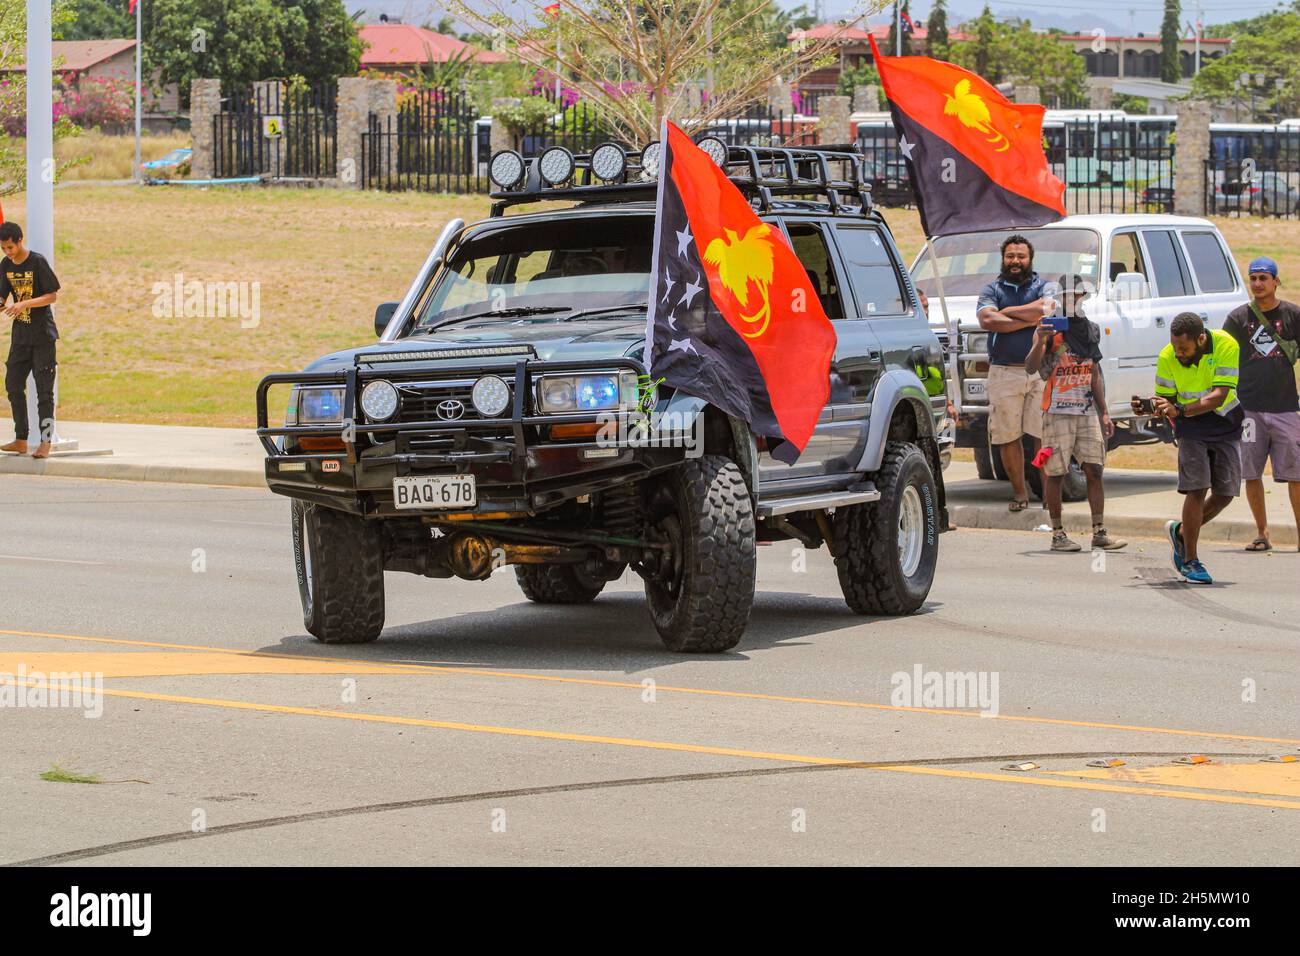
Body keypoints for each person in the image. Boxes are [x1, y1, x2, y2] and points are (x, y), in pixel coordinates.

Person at [1132, 313, 1243, 585]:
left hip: (1224, 422)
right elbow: (1166, 400)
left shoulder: (1227, 345)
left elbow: (1219, 396)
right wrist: (1152, 406)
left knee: (1226, 493)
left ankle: (1181, 532)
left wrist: (1179, 409)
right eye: (1175, 347)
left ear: (1201, 338)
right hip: (1191, 428)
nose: (1179, 353)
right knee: (1197, 488)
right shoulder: (1167, 356)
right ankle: (1190, 560)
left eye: (1184, 348)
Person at [1025, 275, 1125, 552]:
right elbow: (1031, 368)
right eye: (1066, 296)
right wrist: (1040, 340)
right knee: (1055, 473)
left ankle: (1099, 531)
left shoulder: (1090, 330)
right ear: (1059, 299)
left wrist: (1104, 412)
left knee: (1094, 468)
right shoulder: (1050, 329)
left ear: (1083, 298)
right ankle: (1058, 533)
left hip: (1085, 409)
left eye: (1076, 296)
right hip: (1056, 410)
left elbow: (1094, 373)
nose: (1071, 300)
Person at [1222, 256, 1300, 552]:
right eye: (1253, 278)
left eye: (1263, 278)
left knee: (1296, 474)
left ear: (1276, 281)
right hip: (1249, 409)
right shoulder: (1237, 319)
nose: (1257, 284)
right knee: (1251, 472)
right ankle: (1262, 533)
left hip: (1285, 408)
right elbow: (1223, 361)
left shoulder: (1293, 315)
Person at [976, 234, 1054, 512]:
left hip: (1039, 374)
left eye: (1021, 256)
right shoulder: (991, 289)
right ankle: (1020, 494)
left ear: (1030, 258)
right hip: (1003, 372)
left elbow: (1046, 309)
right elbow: (987, 319)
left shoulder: (1044, 286)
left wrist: (1008, 312)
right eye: (1010, 256)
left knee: (1043, 436)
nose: (1016, 261)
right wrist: (1026, 319)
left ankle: (1049, 497)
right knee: (1008, 436)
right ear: (1003, 259)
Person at [0, 221, 61, 459]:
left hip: (43, 336)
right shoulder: (5, 265)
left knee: (44, 392)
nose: (8, 252)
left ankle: (45, 442)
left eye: (10, 247)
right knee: (13, 384)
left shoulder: (37, 262)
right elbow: (2, 296)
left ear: (20, 240)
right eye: (4, 248)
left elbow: (52, 296)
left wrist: (24, 303)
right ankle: (21, 438)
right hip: (20, 337)